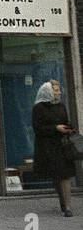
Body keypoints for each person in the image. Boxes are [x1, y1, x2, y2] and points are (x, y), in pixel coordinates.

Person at [32, 80, 75, 216]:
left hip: (62, 146)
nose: (59, 93)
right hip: (48, 147)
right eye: (56, 90)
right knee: (57, 175)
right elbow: (38, 129)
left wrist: (69, 128)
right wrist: (55, 128)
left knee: (65, 175)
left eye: (58, 90)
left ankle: (68, 207)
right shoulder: (39, 108)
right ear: (48, 92)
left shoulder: (61, 106)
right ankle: (63, 203)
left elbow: (66, 121)